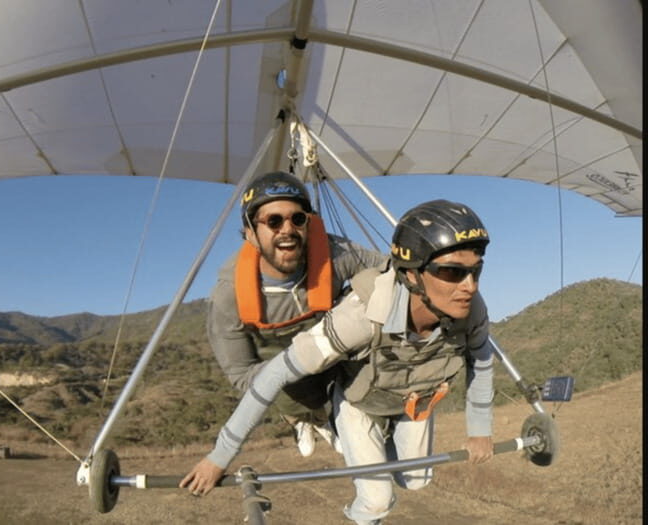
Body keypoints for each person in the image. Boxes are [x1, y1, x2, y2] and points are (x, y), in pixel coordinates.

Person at [182, 199, 495, 524]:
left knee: (416, 481)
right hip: (361, 401)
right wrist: (219, 457)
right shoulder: (361, 315)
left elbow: (482, 360)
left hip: (414, 398)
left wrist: (480, 430)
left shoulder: (472, 308)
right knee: (377, 500)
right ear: (413, 275)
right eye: (451, 272)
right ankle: (334, 436)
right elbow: (272, 375)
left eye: (476, 270)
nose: (469, 286)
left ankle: (375, 444)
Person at [207, 171, 386, 457]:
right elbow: (241, 374)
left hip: (335, 351)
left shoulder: (336, 253)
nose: (287, 229)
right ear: (251, 233)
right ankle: (300, 419)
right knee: (294, 394)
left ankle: (334, 415)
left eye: (297, 219)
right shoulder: (229, 295)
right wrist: (297, 364)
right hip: (287, 372)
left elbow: (391, 272)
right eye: (273, 221)